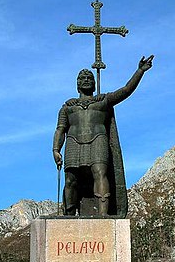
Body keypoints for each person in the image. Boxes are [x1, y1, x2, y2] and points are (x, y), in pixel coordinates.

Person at [53, 55, 154, 216]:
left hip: (98, 139)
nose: (86, 80)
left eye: (89, 78)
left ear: (94, 84)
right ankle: (69, 215)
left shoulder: (103, 101)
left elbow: (126, 90)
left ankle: (103, 214)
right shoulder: (67, 107)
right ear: (77, 84)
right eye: (82, 78)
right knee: (71, 180)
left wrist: (140, 71)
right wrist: (56, 149)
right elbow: (60, 129)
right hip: (73, 142)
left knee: (100, 173)